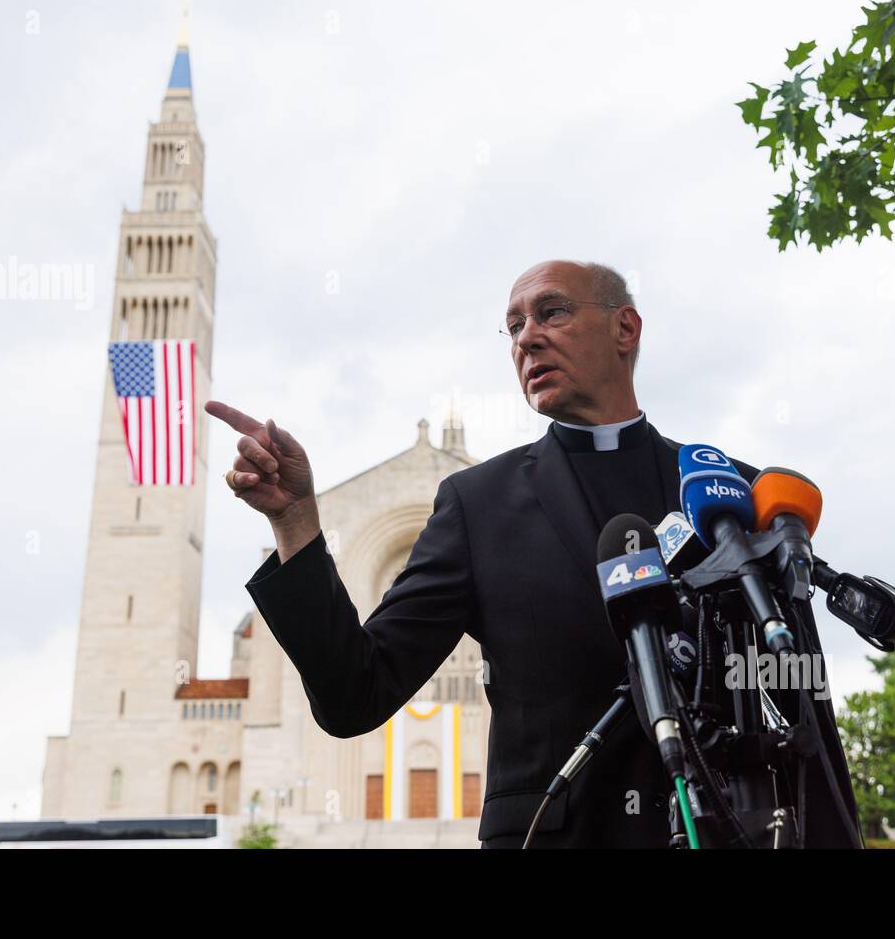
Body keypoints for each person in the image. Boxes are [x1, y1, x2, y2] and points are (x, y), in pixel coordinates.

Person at [206, 260, 858, 847]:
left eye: (551, 312)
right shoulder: (477, 505)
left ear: (624, 329)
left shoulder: (731, 492)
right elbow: (355, 693)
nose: (525, 338)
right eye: (513, 326)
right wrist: (294, 519)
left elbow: (806, 716)